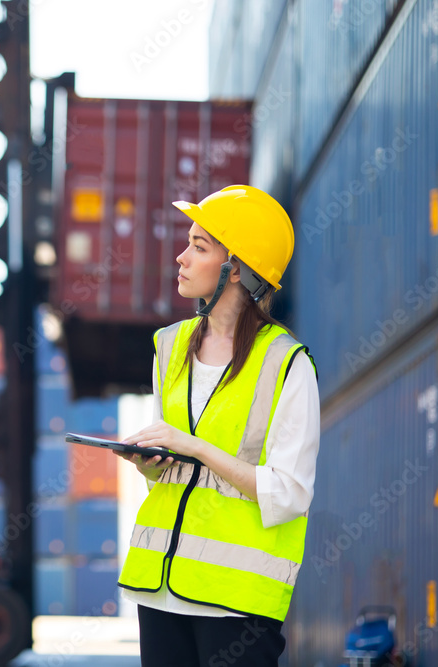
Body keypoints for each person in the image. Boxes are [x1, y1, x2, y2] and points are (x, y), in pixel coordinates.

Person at [117, 185, 320, 666]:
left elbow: (289, 493)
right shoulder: (169, 346)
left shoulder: (288, 364)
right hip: (159, 589)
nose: (181, 258)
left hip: (237, 600)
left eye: (199, 246)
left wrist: (196, 447)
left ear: (237, 270)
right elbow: (173, 472)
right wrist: (149, 463)